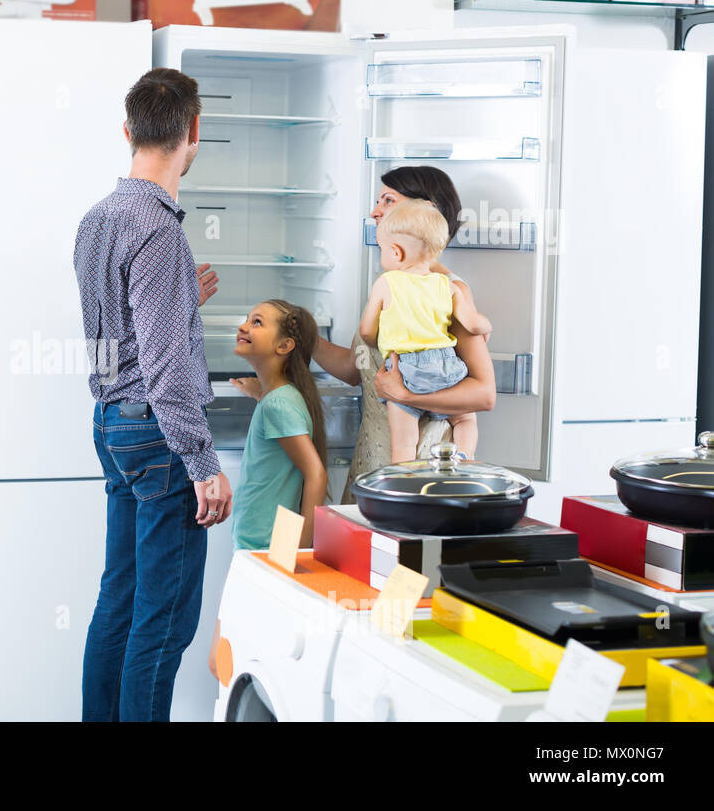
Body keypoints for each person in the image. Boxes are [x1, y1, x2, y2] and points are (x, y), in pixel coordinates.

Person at [73, 67, 232, 722]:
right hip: (160, 440)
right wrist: (204, 464)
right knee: (163, 623)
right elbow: (164, 368)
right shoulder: (161, 231)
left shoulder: (98, 218)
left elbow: (117, 331)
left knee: (121, 598)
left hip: (112, 423)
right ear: (193, 132)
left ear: (128, 131)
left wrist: (179, 300)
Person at [312, 166, 496, 502]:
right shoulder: (393, 284)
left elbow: (484, 395)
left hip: (422, 479)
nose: (374, 210)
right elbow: (359, 370)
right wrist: (305, 335)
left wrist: (407, 397)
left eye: (387, 199)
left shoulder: (447, 291)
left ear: (424, 212)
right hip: (371, 467)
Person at [360, 199, 491, 463]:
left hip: (406, 369)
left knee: (404, 443)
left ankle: (403, 472)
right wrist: (486, 330)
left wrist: (379, 340)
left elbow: (366, 331)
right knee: (465, 419)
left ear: (396, 252)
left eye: (382, 249)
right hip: (446, 365)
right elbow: (476, 324)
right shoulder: (448, 286)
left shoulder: (386, 283)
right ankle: (464, 455)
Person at [226, 300, 328, 551]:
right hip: (265, 542)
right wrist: (260, 394)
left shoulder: (278, 405)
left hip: (265, 543)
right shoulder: (279, 399)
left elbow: (316, 475)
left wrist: (302, 553)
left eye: (256, 322)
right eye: (247, 319)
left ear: (284, 346)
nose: (243, 326)